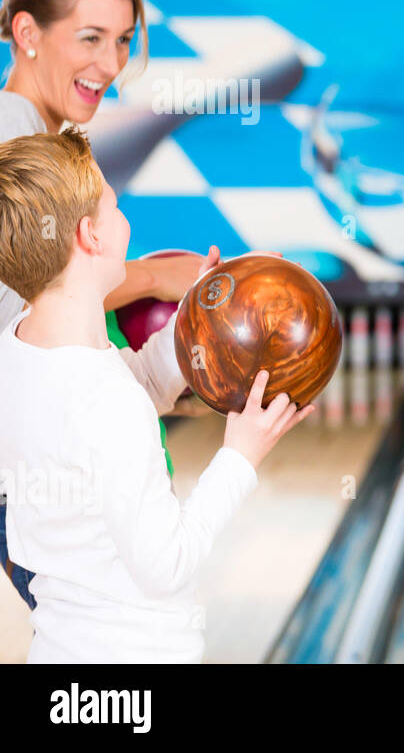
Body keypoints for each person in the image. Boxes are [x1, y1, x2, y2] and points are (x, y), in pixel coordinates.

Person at [0, 127, 313, 661]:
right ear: (89, 236)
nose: (126, 221)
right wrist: (239, 457)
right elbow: (167, 563)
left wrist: (203, 319)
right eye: (115, 207)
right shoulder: (104, 402)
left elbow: (135, 382)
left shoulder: (18, 350)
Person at [0, 0, 224, 607]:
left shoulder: (40, 132)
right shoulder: (16, 140)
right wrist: (154, 284)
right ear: (27, 33)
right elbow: (26, 312)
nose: (112, 63)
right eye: (91, 37)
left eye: (124, 40)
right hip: (35, 478)